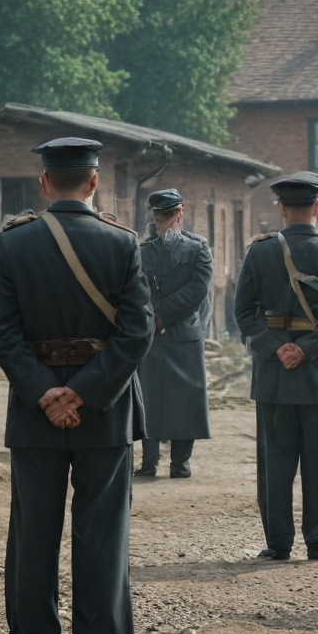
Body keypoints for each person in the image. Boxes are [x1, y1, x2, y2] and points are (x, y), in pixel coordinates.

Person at [0, 138, 155, 634]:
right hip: (102, 406)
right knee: (102, 525)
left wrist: (45, 392)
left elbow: (2, 331)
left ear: (43, 182)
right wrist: (83, 392)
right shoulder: (122, 242)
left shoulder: (14, 244)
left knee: (34, 526)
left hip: (34, 406)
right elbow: (136, 333)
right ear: (94, 181)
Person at [233, 171, 318, 560]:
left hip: (274, 374)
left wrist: (277, 347)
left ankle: (278, 543)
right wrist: (306, 348)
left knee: (276, 462)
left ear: (282, 209)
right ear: (316, 207)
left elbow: (244, 312)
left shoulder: (260, 250)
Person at [133, 189, 214, 479]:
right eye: (160, 215)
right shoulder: (143, 250)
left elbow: (198, 290)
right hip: (153, 332)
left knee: (185, 399)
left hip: (182, 332)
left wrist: (161, 314)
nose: (164, 220)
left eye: (167, 214)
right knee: (150, 398)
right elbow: (136, 288)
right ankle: (149, 462)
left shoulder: (197, 248)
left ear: (179, 213)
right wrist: (150, 315)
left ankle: (180, 463)